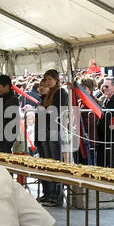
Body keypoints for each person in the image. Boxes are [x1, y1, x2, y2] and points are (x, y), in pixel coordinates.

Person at [35, 69, 69, 206]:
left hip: (54, 130)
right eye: (45, 79)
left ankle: (57, 195)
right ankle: (48, 193)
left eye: (49, 79)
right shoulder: (47, 94)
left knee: (55, 162)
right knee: (46, 162)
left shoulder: (61, 93)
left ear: (56, 79)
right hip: (44, 130)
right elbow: (42, 110)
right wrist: (43, 98)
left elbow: (53, 111)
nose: (47, 82)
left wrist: (44, 110)